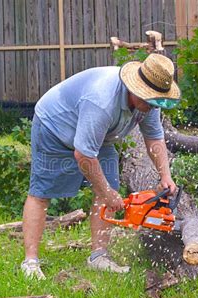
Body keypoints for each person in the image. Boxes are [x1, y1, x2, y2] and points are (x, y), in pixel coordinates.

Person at [21, 53, 181, 280]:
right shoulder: (102, 101)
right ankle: (30, 262)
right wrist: (107, 193)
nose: (151, 105)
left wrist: (165, 175)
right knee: (42, 192)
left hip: (101, 136)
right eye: (148, 100)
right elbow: (84, 155)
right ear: (135, 88)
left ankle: (98, 256)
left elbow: (154, 138)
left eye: (156, 100)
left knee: (108, 187)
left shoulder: (149, 104)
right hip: (55, 126)